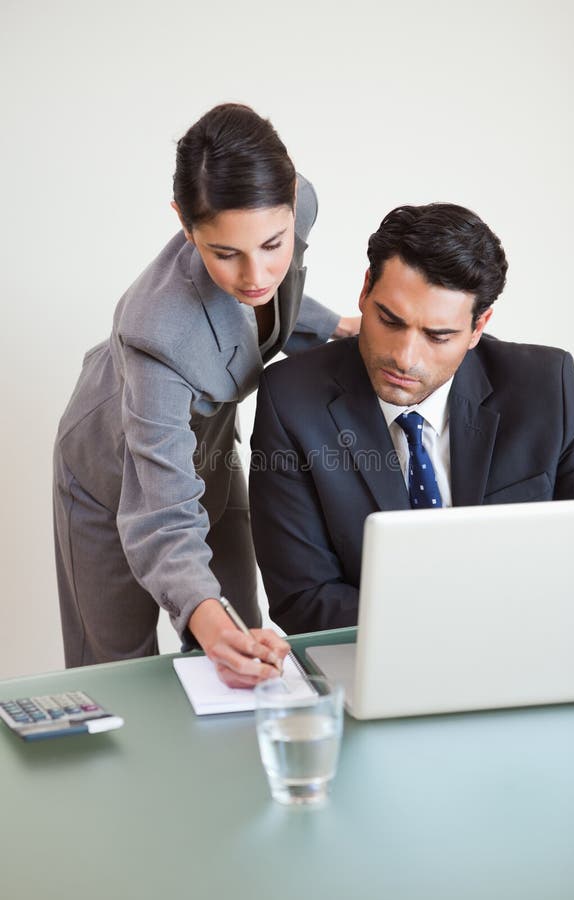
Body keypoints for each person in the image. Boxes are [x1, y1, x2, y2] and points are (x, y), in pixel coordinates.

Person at [53, 102, 359, 686]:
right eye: (225, 254)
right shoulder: (156, 331)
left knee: (244, 624)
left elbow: (266, 300)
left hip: (211, 450)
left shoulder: (297, 202)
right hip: (111, 473)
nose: (255, 276)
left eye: (273, 244)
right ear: (185, 224)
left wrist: (337, 327)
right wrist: (212, 630)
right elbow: (161, 518)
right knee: (118, 670)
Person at [249, 203, 574, 635]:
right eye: (389, 320)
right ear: (365, 290)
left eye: (438, 336)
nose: (404, 357)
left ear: (478, 327)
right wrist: (448, 632)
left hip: (533, 640)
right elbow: (303, 597)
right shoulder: (291, 398)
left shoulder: (548, 388)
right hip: (375, 654)